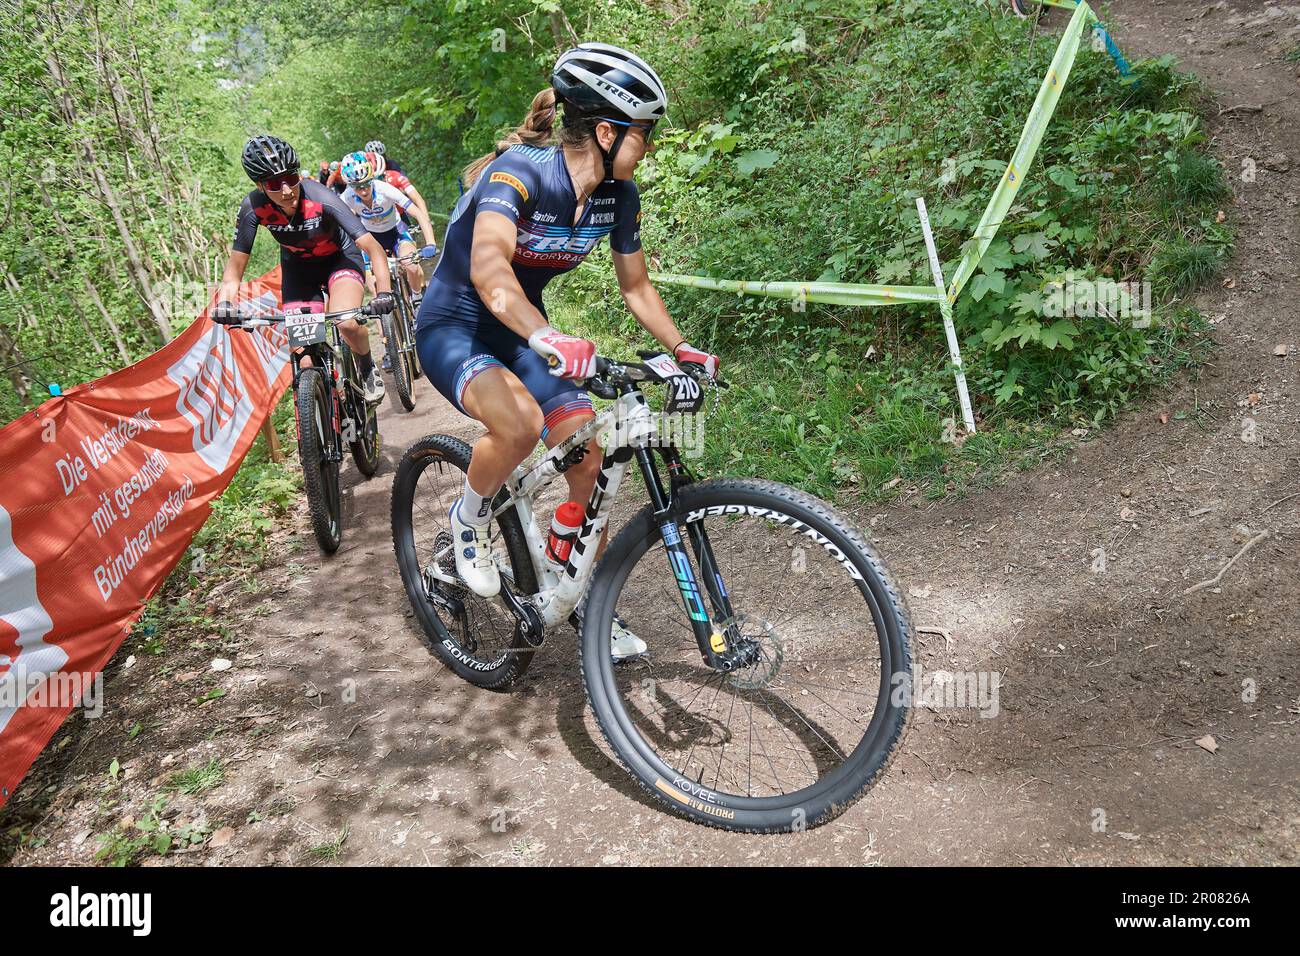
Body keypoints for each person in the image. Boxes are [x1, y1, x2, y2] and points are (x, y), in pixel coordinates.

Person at [413, 44, 719, 659]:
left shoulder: (616, 196)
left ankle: (577, 596)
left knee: (590, 461)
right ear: (606, 132)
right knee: (520, 424)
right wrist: (548, 337)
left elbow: (635, 286)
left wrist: (683, 348)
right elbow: (491, 270)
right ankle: (468, 518)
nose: (649, 146)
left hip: (523, 330)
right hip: (456, 324)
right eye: (643, 134)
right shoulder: (519, 175)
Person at [213, 135, 395, 403]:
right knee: (304, 359)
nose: (287, 189)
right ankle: (317, 419)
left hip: (340, 259)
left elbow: (373, 248)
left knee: (345, 322)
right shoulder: (253, 208)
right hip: (299, 270)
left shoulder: (320, 196)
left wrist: (384, 292)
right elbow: (235, 267)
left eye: (292, 177)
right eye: (275, 183)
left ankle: (366, 366)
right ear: (259, 185)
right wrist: (227, 302)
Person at [338, 151, 437, 297]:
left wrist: (430, 243)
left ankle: (417, 298)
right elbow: (336, 225)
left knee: (412, 267)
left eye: (366, 184)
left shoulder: (384, 188)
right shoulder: (346, 197)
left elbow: (418, 214)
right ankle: (387, 317)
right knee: (373, 284)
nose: (364, 191)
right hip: (372, 238)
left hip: (396, 231)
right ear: (350, 186)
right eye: (357, 187)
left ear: (372, 178)